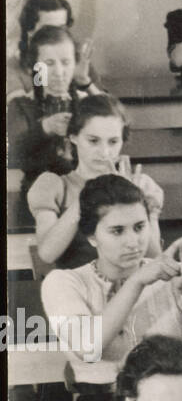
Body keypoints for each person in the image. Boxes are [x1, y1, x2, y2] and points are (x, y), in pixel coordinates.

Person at [40, 174, 182, 392]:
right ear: (91, 236)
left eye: (139, 227)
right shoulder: (62, 282)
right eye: (117, 231)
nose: (133, 242)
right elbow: (87, 348)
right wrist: (137, 281)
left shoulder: (175, 277)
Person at [27, 94, 165, 270]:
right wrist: (89, 194)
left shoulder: (141, 183)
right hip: (77, 290)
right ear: (73, 137)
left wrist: (131, 199)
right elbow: (47, 254)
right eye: (93, 141)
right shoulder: (54, 185)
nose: (105, 152)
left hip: (131, 287)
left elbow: (153, 257)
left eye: (113, 141)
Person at [7, 26, 102, 186]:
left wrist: (85, 82)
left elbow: (117, 123)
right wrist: (45, 127)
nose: (59, 72)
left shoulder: (85, 101)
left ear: (75, 64)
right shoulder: (21, 104)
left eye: (66, 62)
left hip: (85, 191)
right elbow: (13, 153)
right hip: (38, 195)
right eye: (49, 63)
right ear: (34, 68)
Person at [7, 0, 97, 101]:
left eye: (61, 28)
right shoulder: (11, 67)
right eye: (48, 29)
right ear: (29, 30)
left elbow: (113, 111)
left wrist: (84, 81)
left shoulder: (78, 59)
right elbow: (20, 112)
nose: (56, 35)